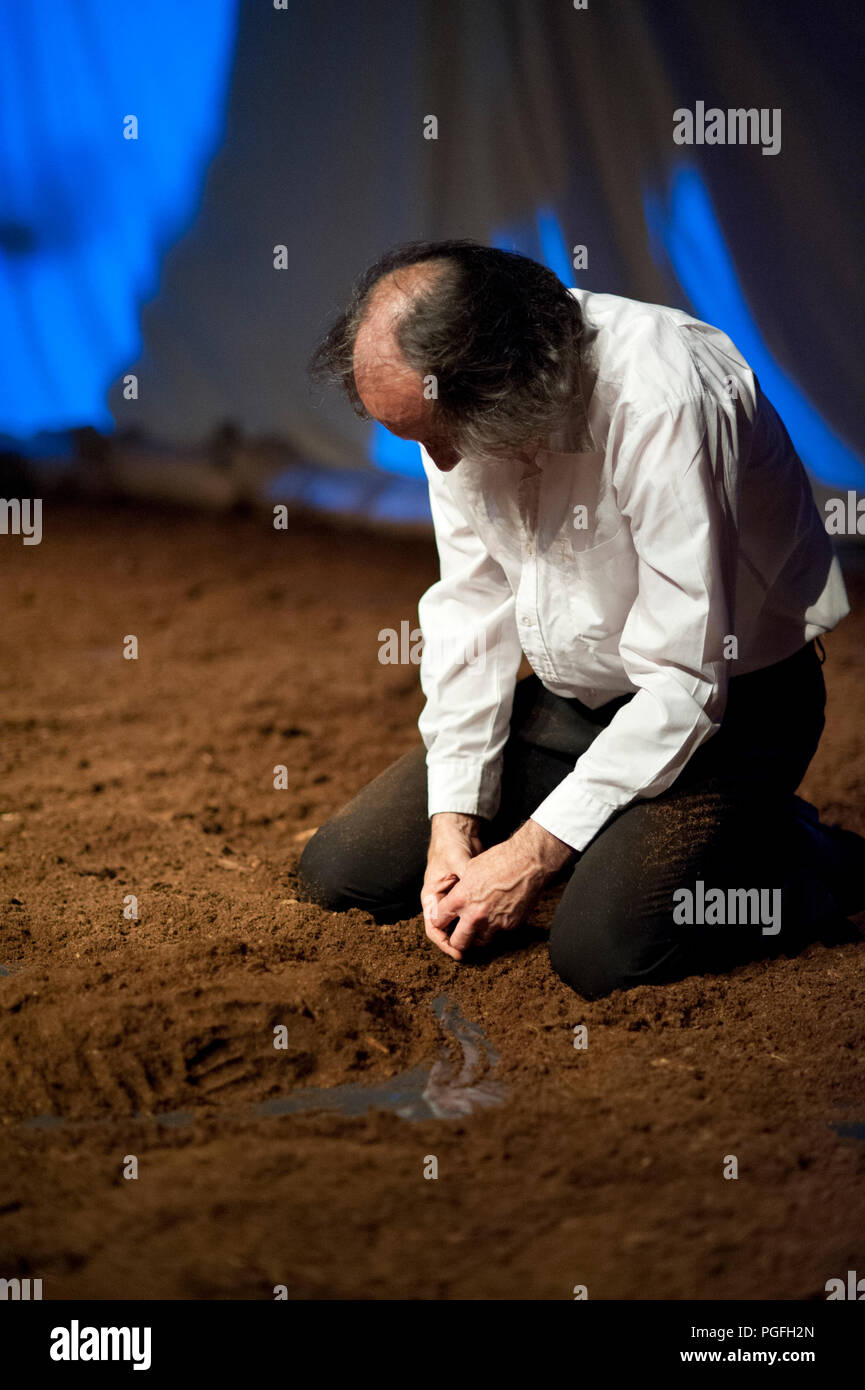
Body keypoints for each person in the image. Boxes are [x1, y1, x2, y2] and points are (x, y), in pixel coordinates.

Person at [298, 240, 862, 998]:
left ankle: (806, 857)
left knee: (605, 951)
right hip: (581, 702)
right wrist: (453, 820)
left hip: (732, 708)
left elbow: (683, 682)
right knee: (345, 873)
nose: (435, 463)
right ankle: (625, 843)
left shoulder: (662, 394)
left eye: (435, 435)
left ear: (506, 386)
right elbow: (471, 609)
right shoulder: (450, 416)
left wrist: (531, 854)